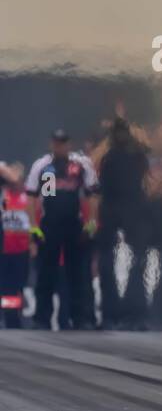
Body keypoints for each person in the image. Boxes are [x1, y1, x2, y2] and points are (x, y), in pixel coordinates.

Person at [26, 129, 98, 329]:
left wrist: (90, 222)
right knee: (45, 272)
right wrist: (33, 227)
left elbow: (92, 194)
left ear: (69, 144)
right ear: (52, 144)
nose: (60, 146)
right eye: (57, 143)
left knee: (77, 273)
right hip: (50, 224)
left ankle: (80, 318)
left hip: (74, 224)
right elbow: (31, 197)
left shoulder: (81, 165)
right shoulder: (42, 166)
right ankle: (41, 318)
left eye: (64, 142)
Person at [96, 117, 151, 328]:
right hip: (112, 212)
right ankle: (112, 314)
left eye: (123, 132)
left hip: (132, 212)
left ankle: (135, 314)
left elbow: (148, 155)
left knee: (137, 264)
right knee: (108, 264)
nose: (120, 136)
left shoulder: (138, 156)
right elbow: (101, 186)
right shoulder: (108, 157)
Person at [0, 162, 30, 328]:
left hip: (22, 250)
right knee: (7, 287)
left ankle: (16, 316)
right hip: (6, 249)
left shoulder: (29, 197)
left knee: (19, 285)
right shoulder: (4, 196)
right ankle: (10, 318)